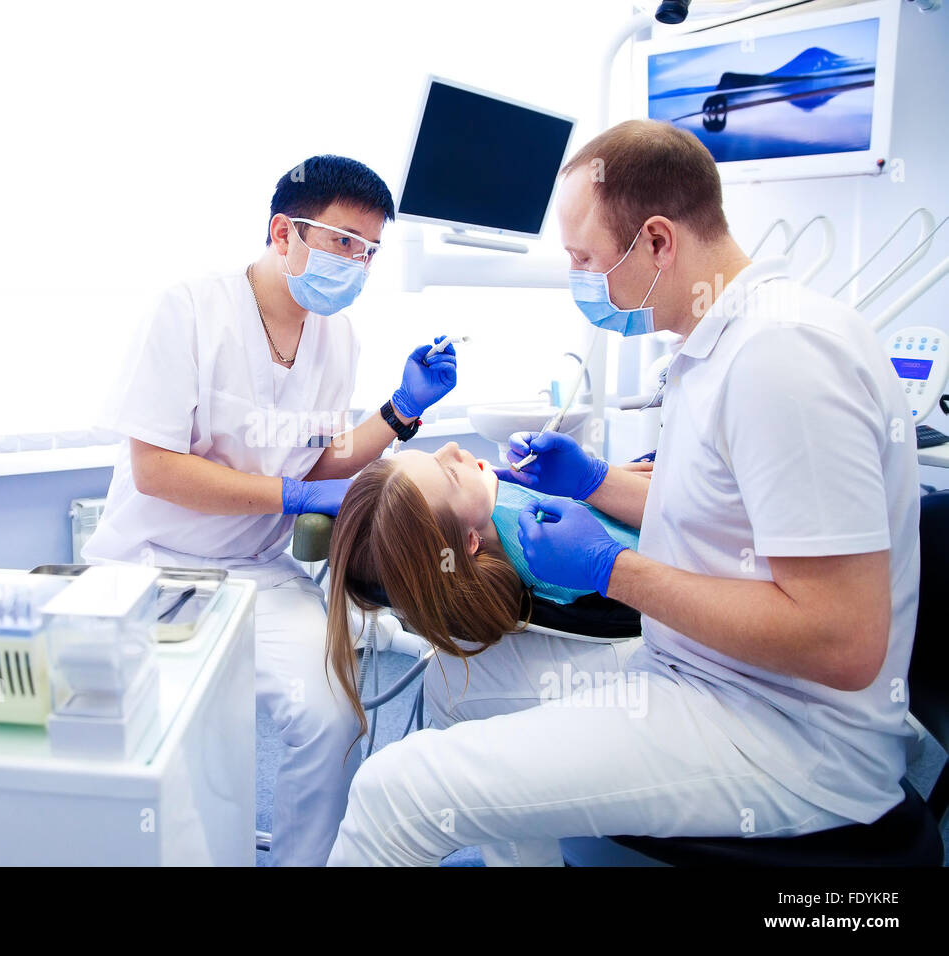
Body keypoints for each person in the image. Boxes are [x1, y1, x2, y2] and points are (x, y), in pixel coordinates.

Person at [327, 120, 921, 867]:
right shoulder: (713, 348)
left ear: (659, 243)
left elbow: (842, 642)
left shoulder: (783, 360)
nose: (577, 278)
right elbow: (730, 523)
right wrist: (595, 481)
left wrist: (613, 570)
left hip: (787, 735)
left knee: (395, 793)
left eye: (584, 259)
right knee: (457, 682)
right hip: (699, 670)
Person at [82, 155, 458, 866]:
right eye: (345, 241)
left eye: (370, 251)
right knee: (167, 744)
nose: (359, 263)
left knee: (334, 713)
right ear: (285, 231)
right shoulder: (189, 310)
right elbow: (157, 470)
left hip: (256, 569)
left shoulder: (336, 338)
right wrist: (290, 495)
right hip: (150, 569)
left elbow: (315, 463)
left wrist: (400, 412)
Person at [325, 442, 642, 741]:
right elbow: (661, 547)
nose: (450, 448)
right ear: (469, 542)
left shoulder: (491, 508)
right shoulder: (548, 557)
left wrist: (607, 480)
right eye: (449, 474)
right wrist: (606, 485)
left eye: (432, 453)